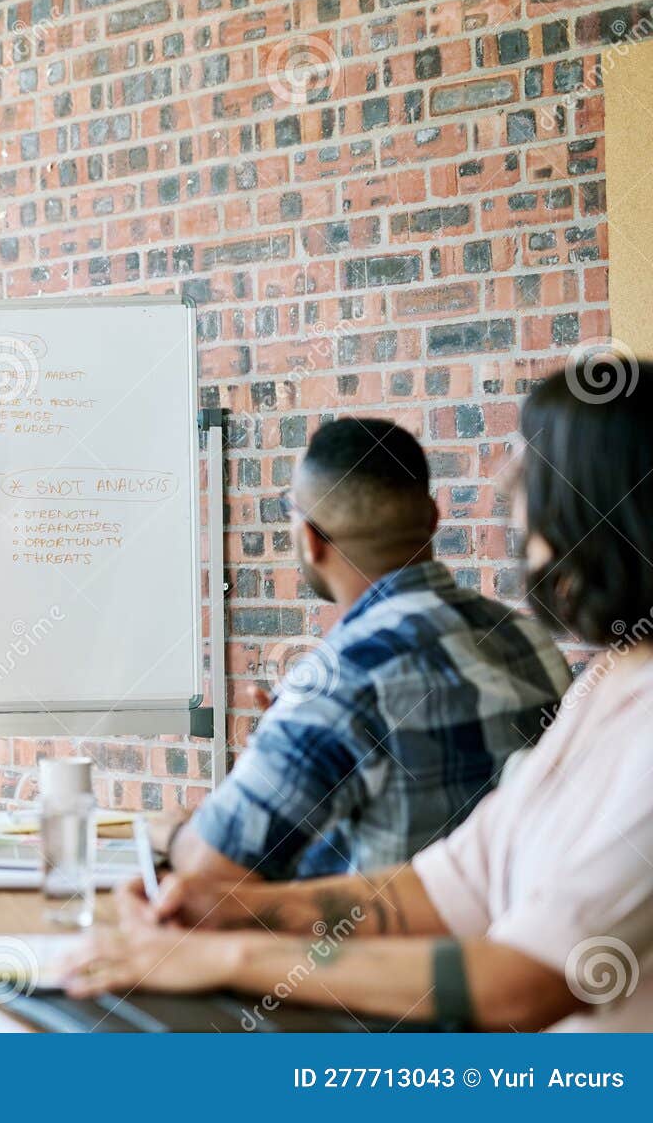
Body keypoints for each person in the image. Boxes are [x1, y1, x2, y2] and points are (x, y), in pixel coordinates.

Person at [60, 360, 653, 1031]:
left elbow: (527, 982)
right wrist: (233, 910)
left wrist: (229, 954)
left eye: (529, 484)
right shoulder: (599, 681)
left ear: (605, 514)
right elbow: (457, 882)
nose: (510, 507)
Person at [159, 417, 569, 881]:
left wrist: (171, 834)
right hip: (506, 939)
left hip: (369, 947)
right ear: (433, 520)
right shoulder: (532, 643)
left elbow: (213, 870)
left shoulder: (334, 684)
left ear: (310, 541)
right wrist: (299, 746)